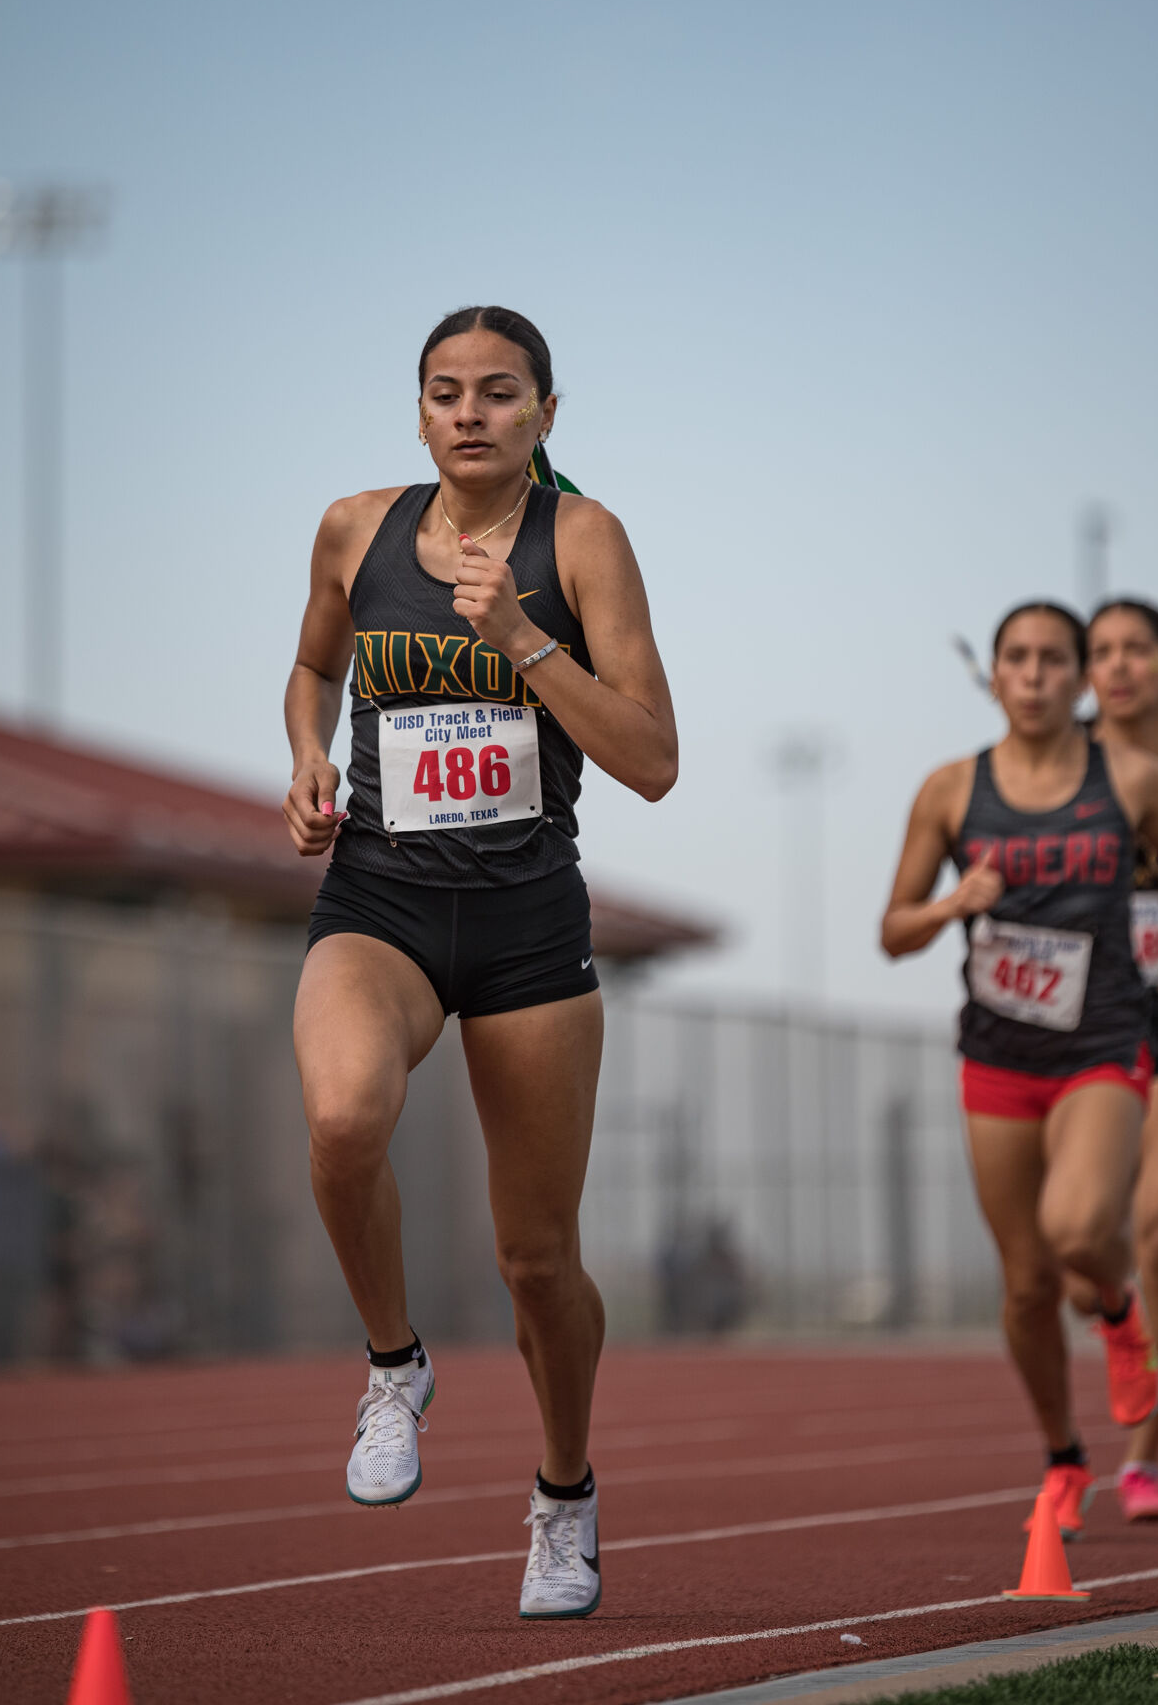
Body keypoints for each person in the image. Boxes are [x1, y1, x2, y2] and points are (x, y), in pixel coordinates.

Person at [282, 305, 677, 1619]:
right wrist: (303, 753)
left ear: (543, 415)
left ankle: (562, 1498)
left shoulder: (584, 541)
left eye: (498, 393)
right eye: (444, 391)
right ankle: (393, 1365)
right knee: (343, 1117)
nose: (469, 413)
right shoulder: (355, 526)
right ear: (417, 413)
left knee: (535, 1261)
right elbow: (311, 664)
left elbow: (650, 760)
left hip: (523, 925)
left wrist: (518, 634)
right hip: (378, 901)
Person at [881, 600, 1158, 1537]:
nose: (1039, 674)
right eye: (1020, 658)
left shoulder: (1131, 778)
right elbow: (891, 932)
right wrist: (949, 906)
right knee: (1023, 1285)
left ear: (1078, 680)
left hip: (1103, 1045)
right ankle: (1062, 1456)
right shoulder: (948, 791)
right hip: (998, 1057)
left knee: (1081, 1230)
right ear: (997, 676)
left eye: (1058, 659)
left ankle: (1122, 1317)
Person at [1088, 597, 1158, 1520]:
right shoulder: (1055, 771)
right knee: (1076, 1248)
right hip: (1085, 1025)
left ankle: (1145, 1453)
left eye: (1137, 649)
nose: (1118, 665)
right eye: (1100, 651)